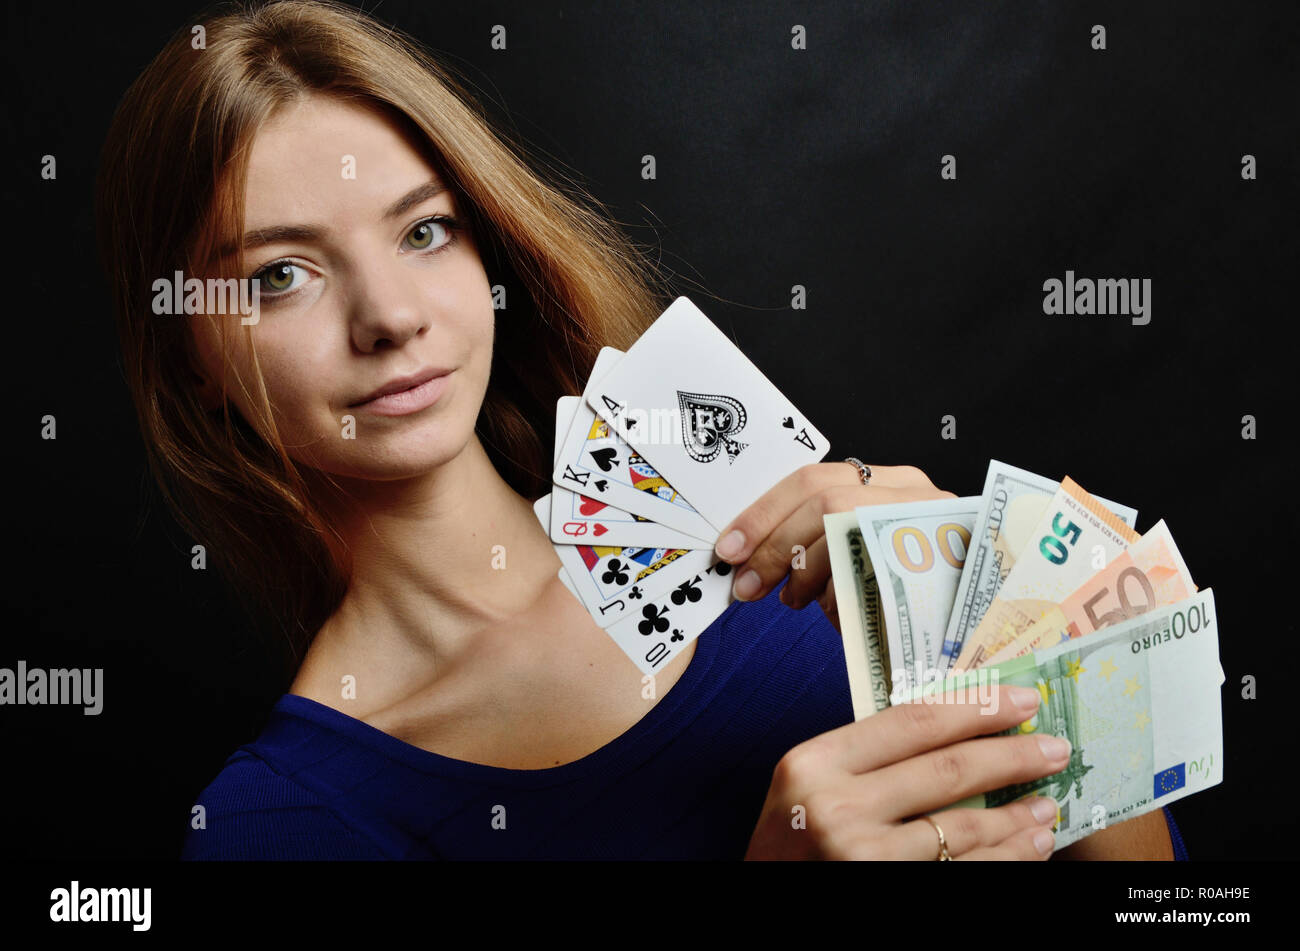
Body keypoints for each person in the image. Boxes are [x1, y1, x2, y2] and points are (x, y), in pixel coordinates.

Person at [95, 0, 1181, 860]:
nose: (390, 316)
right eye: (281, 275)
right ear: (193, 363)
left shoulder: (763, 527)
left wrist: (1034, 639)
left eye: (425, 230)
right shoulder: (283, 829)